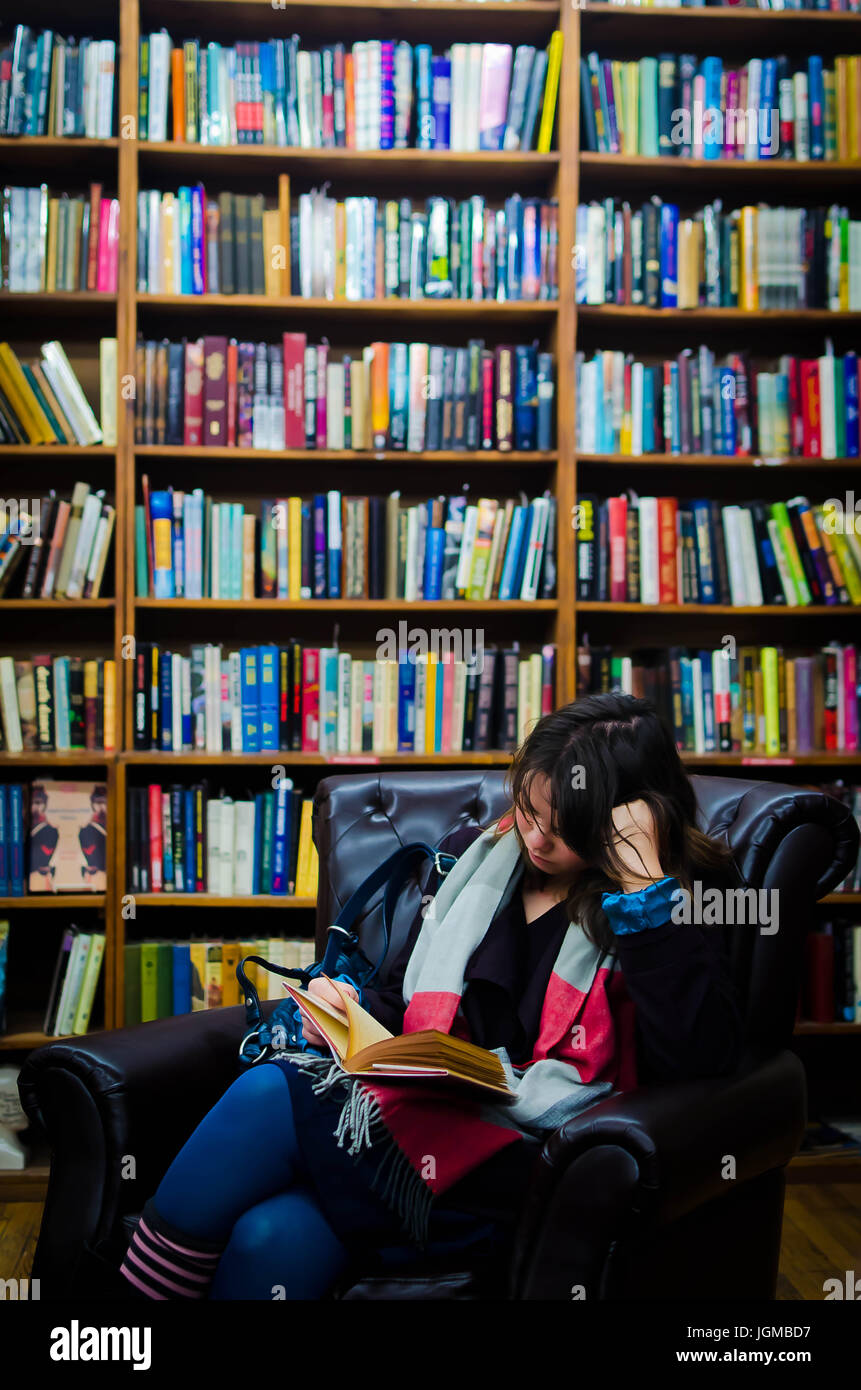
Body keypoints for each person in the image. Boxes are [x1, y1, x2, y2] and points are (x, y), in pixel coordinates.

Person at [117, 692, 745, 1302]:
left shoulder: (677, 899)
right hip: (416, 1128)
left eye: (564, 828)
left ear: (623, 820)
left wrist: (642, 893)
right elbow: (403, 1001)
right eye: (529, 809)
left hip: (531, 1159)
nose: (536, 839)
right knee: (269, 1238)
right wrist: (347, 1014)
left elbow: (699, 1060)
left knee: (266, 1093)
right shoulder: (476, 858)